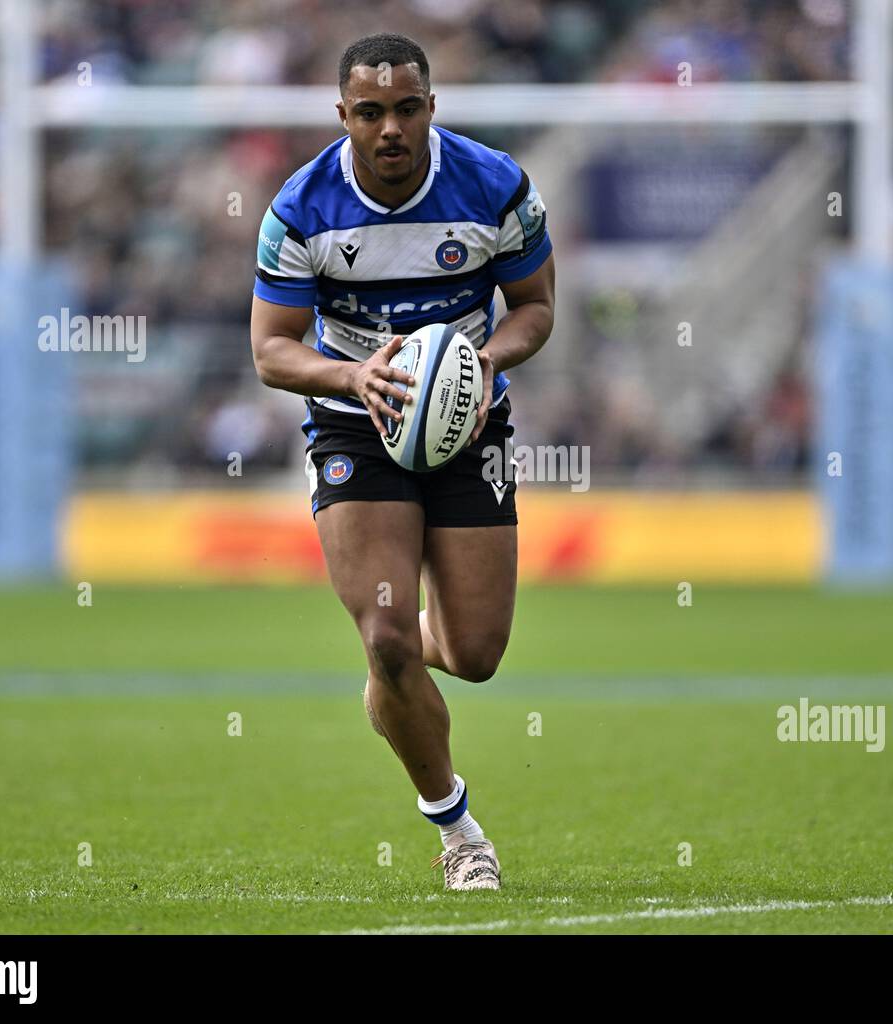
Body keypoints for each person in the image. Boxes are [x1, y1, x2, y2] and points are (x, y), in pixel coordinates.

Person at [249, 33, 555, 890]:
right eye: (371, 112)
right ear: (342, 115)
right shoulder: (302, 207)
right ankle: (462, 835)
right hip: (355, 421)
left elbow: (535, 308)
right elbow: (272, 351)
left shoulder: (495, 186)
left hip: (466, 421)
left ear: (432, 108)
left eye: (407, 108)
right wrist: (352, 373)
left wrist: (490, 357)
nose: (391, 128)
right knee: (385, 632)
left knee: (479, 650)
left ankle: (398, 665)